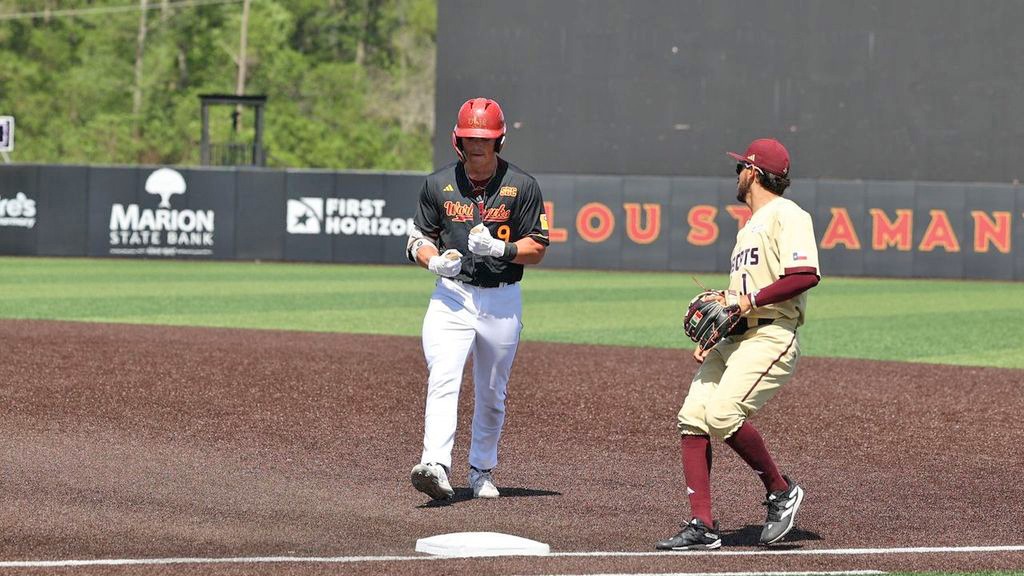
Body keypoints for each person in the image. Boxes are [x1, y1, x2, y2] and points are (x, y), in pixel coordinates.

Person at [656, 138, 820, 550]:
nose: (737, 174)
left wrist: (749, 300)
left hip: (772, 333)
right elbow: (740, 299)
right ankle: (702, 525)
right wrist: (717, 334)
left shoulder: (788, 214)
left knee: (723, 413)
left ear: (755, 172)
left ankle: (781, 490)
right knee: (693, 418)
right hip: (737, 337)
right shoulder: (747, 228)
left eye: (741, 167)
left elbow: (805, 275)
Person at [405, 97, 549, 501]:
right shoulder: (437, 184)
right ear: (458, 140)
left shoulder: (523, 186)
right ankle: (435, 464)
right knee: (443, 377)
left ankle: (481, 470)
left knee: (492, 393)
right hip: (452, 296)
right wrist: (435, 262)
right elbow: (418, 239)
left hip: (501, 300)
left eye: (484, 138)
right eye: (471, 138)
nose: (477, 146)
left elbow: (538, 246)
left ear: (499, 140)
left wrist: (502, 250)